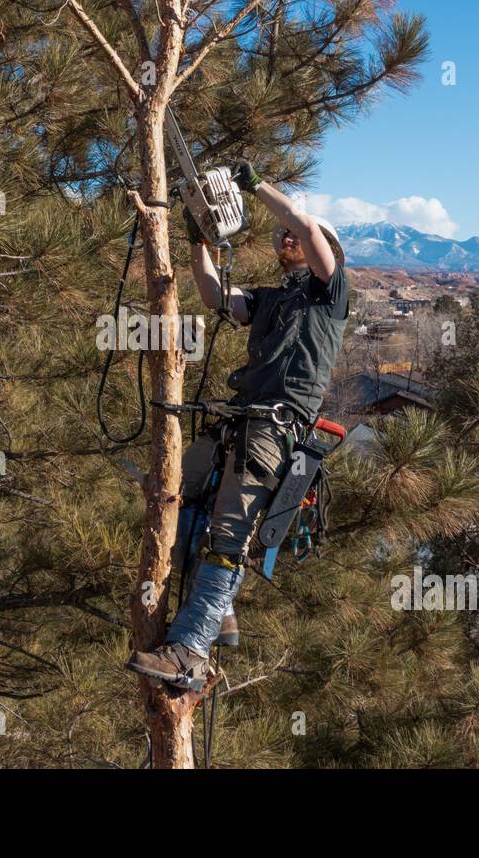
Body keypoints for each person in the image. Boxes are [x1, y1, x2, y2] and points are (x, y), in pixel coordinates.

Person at [126, 162, 350, 688]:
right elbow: (213, 296)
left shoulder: (330, 293)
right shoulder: (273, 298)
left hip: (275, 429)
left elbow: (309, 226)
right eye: (284, 236)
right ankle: (216, 610)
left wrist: (257, 187)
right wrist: (199, 239)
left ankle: (189, 655)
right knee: (175, 496)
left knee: (229, 535)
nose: (289, 236)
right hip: (241, 423)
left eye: (298, 234)